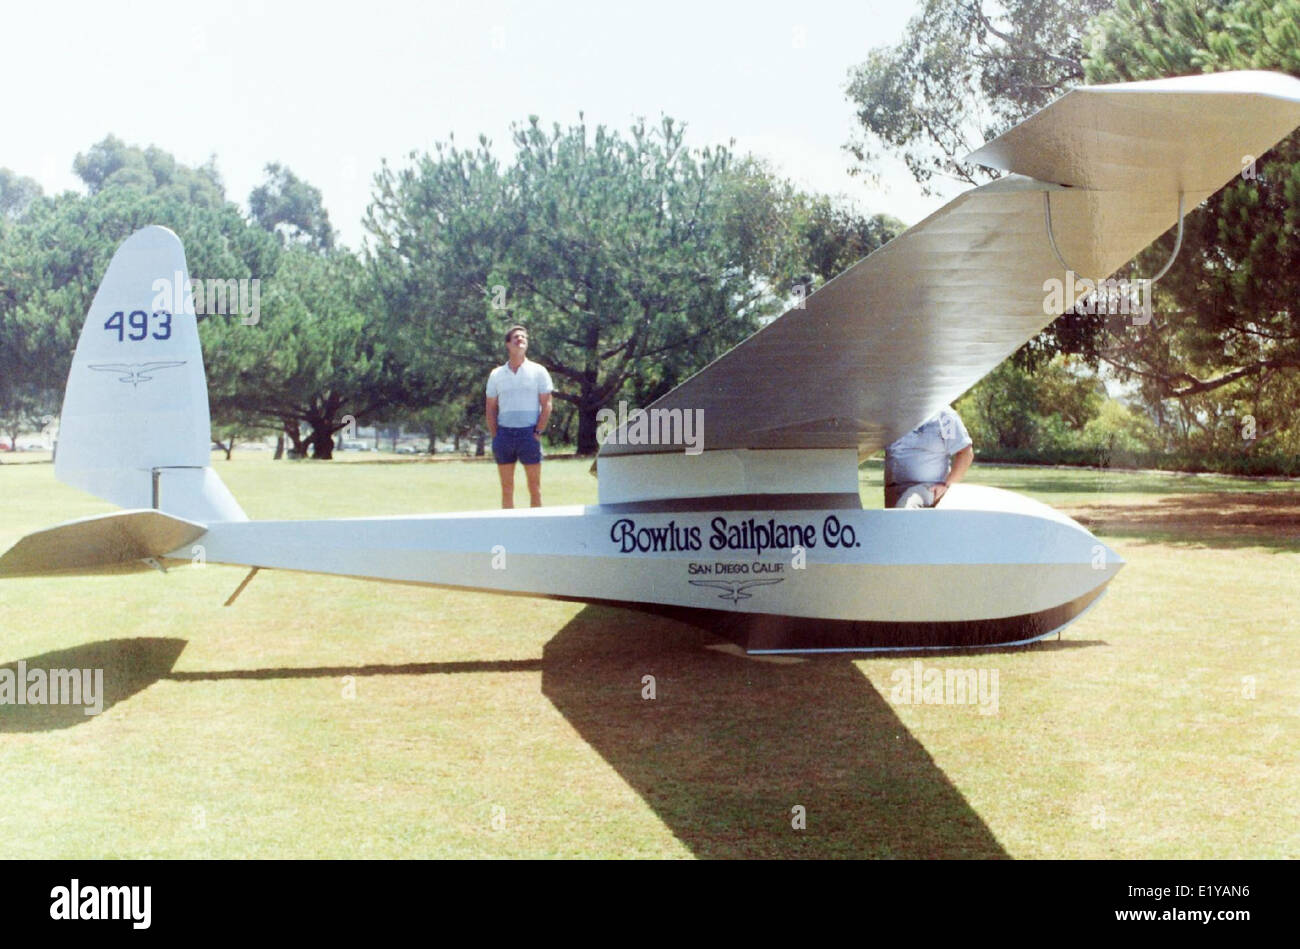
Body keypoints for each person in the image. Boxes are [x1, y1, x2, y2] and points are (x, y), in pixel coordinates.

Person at [486, 325, 553, 508]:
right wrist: (496, 435)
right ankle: (508, 531)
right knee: (507, 489)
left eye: (523, 337)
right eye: (516, 337)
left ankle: (536, 528)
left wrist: (538, 431)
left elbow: (547, 404)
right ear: (508, 344)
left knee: (534, 487)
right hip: (504, 435)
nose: (520, 339)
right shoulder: (496, 374)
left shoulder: (539, 371)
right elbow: (491, 407)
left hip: (529, 435)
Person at [883, 406, 973, 508]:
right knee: (889, 520)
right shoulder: (893, 414)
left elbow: (965, 452)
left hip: (927, 487)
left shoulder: (945, 416)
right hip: (894, 487)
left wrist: (947, 486)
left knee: (906, 507)